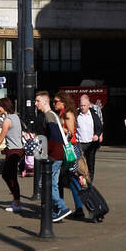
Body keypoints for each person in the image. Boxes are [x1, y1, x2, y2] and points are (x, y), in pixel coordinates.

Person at [38, 91, 84, 222]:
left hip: (69, 149)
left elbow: (70, 133)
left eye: (56, 101)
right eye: (53, 101)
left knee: (71, 179)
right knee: (58, 180)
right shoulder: (59, 114)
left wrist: (59, 129)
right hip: (63, 149)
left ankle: (75, 208)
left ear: (63, 102)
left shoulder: (67, 113)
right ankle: (59, 207)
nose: (54, 103)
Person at [0, 98, 26, 212]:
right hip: (17, 149)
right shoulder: (16, 117)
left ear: (3, 107)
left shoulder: (7, 120)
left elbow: (1, 138)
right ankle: (16, 199)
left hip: (14, 151)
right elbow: (15, 135)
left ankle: (17, 202)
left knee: (11, 176)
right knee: (7, 175)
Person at [75, 95, 103, 181]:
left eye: (84, 105)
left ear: (89, 105)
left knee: (90, 163)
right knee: (80, 164)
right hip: (80, 144)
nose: (82, 107)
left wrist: (97, 135)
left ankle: (90, 181)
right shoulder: (76, 114)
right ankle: (82, 180)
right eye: (81, 105)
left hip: (91, 143)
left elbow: (99, 126)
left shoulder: (93, 114)